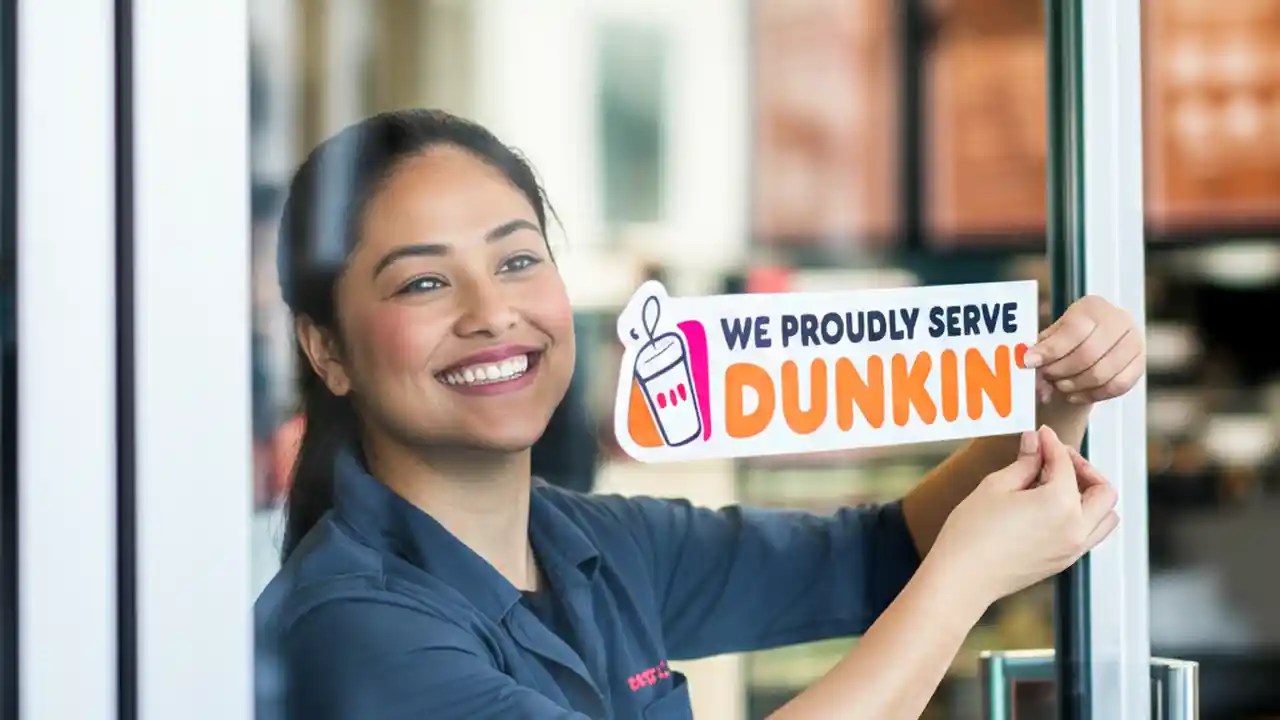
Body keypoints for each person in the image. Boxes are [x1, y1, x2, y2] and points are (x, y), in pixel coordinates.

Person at [253, 109, 1143, 719]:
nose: (492, 312)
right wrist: (964, 582)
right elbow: (934, 571)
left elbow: (882, 556)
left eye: (518, 261)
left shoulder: (595, 547)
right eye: (423, 282)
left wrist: (1054, 396)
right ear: (327, 349)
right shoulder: (352, 631)